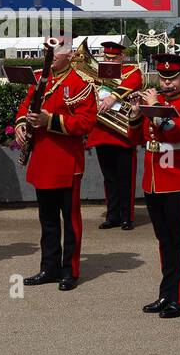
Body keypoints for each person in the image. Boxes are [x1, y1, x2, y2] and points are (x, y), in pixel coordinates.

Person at [15, 35, 96, 291]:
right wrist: (20, 125)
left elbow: (85, 123)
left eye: (55, 51)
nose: (48, 56)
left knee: (70, 220)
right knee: (47, 219)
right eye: (46, 51)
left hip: (66, 161)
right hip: (42, 159)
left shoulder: (81, 82)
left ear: (70, 55)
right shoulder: (41, 78)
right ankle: (48, 267)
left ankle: (70, 271)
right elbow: (24, 107)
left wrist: (50, 120)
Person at [138, 53, 180, 318]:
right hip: (154, 179)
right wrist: (135, 112)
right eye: (163, 78)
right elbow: (139, 135)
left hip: (179, 179)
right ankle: (166, 293)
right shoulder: (155, 102)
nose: (167, 84)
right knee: (164, 241)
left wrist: (153, 108)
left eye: (173, 78)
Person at [86, 41, 142, 231]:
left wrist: (113, 97)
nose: (109, 60)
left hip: (123, 132)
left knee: (125, 177)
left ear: (121, 57)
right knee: (109, 177)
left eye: (113, 58)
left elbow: (134, 83)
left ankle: (127, 216)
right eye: (106, 57)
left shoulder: (131, 71)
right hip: (102, 131)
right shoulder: (96, 73)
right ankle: (113, 215)